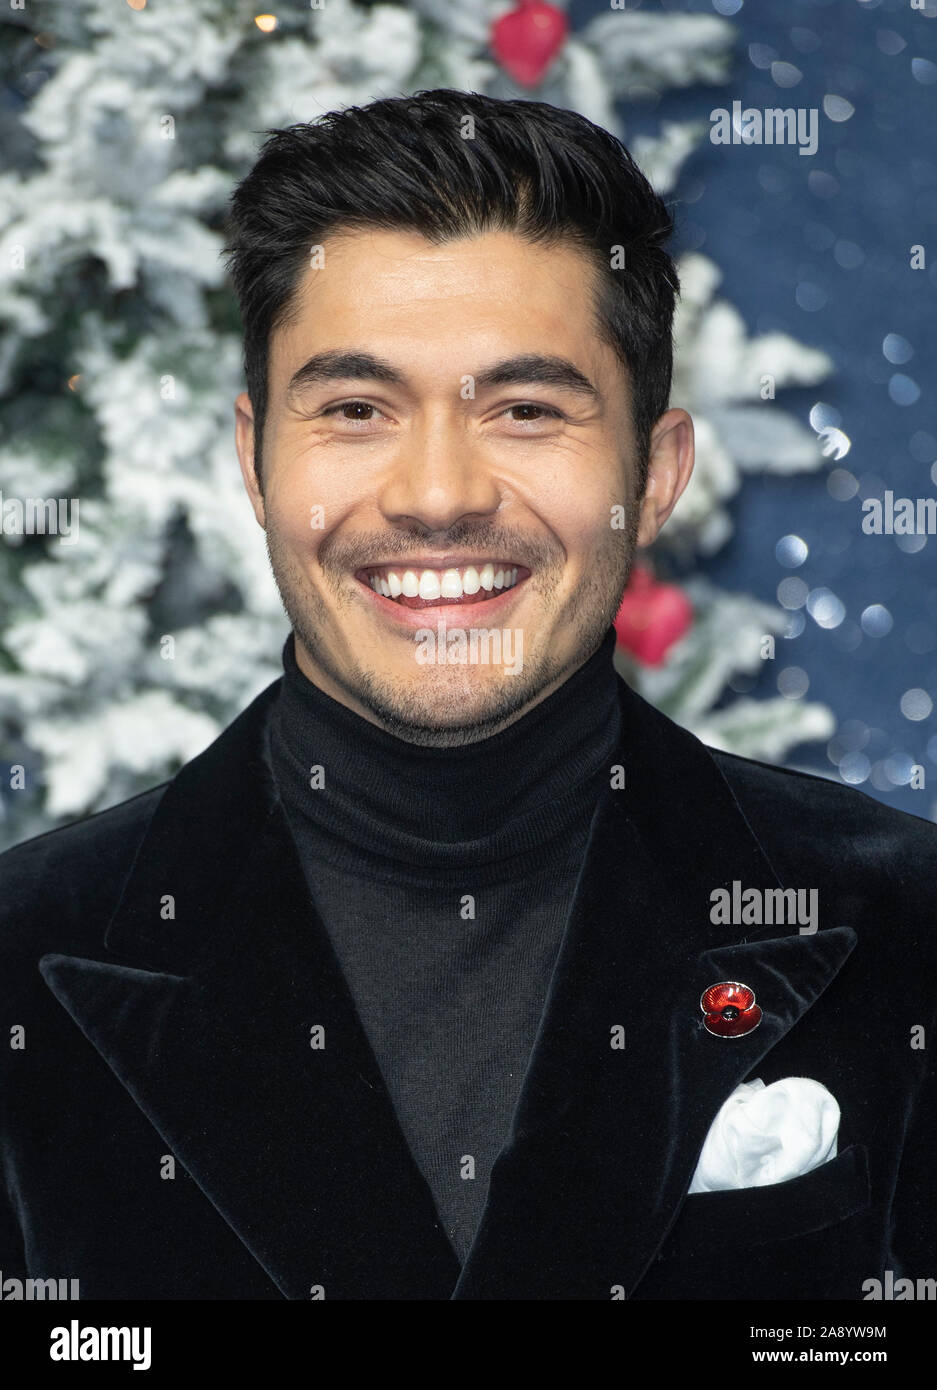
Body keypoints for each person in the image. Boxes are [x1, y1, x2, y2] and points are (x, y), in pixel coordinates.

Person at [1, 89, 934, 1302]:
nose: (437, 493)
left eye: (526, 410)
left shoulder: (910, 934)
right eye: (353, 409)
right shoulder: (25, 961)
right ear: (254, 461)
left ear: (653, 474)